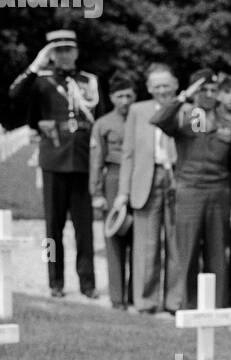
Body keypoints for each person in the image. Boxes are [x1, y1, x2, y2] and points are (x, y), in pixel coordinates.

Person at [8, 30, 99, 299]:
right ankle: (55, 281)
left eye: (68, 49)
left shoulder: (89, 81)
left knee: (85, 230)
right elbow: (15, 93)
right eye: (57, 50)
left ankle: (88, 283)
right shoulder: (41, 81)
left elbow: (100, 119)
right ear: (51, 54)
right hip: (54, 160)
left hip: (82, 161)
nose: (64, 55)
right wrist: (37, 64)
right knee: (52, 230)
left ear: (76, 52)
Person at [153, 69, 231, 309]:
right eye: (204, 90)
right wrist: (183, 97)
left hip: (218, 194)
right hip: (190, 191)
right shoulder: (184, 118)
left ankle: (217, 307)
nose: (209, 95)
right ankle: (189, 306)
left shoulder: (229, 125)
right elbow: (159, 119)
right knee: (188, 252)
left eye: (214, 90)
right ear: (195, 91)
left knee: (217, 255)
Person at [116, 63, 180, 313]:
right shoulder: (137, 111)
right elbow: (128, 153)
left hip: (176, 178)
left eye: (166, 85)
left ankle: (175, 301)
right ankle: (146, 300)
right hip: (147, 179)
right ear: (149, 88)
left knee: (177, 243)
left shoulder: (188, 110)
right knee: (147, 244)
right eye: (157, 86)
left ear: (175, 84)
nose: (162, 90)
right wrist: (123, 192)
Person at [89, 73, 135, 310]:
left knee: (138, 239)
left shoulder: (142, 119)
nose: (125, 101)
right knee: (115, 238)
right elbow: (96, 159)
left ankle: (135, 294)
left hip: (139, 180)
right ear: (112, 98)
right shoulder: (103, 123)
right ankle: (117, 297)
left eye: (129, 95)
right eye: (120, 96)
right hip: (114, 178)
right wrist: (96, 193)